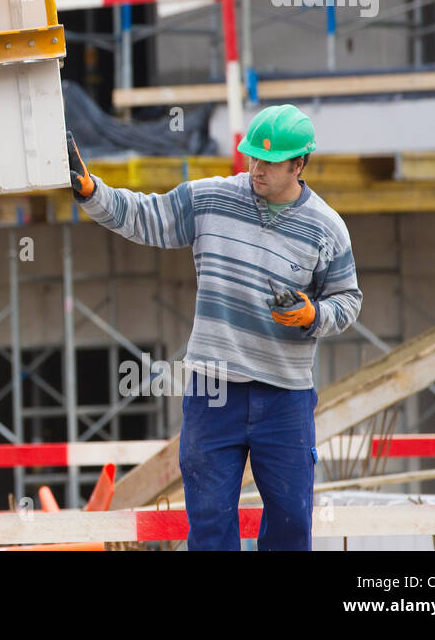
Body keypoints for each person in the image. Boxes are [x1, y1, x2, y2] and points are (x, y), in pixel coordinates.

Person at [68, 103, 362, 550]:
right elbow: (148, 216)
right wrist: (93, 192)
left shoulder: (327, 229)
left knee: (290, 520)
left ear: (298, 164)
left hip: (284, 396)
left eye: (269, 161)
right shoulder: (212, 199)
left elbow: (348, 300)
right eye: (252, 157)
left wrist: (313, 315)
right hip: (214, 390)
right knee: (209, 522)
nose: (257, 168)